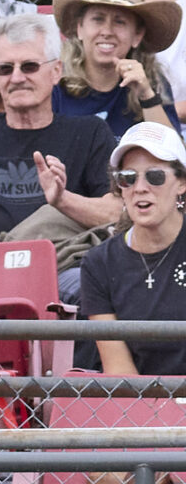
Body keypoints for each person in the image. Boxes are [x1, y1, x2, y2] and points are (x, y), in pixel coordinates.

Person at [0, 12, 121, 293]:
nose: (16, 78)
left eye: (29, 66)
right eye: (4, 69)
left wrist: (63, 200)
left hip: (60, 270)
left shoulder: (89, 133)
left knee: (88, 288)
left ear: (56, 71)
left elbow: (118, 212)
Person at [77, 122, 186, 379]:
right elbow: (120, 372)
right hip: (139, 408)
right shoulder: (97, 264)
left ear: (181, 183)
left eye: (155, 176)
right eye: (127, 178)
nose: (140, 188)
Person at [50, 0, 180, 134]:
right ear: (80, 28)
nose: (107, 31)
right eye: (98, 19)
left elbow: (172, 154)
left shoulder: (152, 81)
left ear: (137, 35)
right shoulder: (55, 82)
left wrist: (146, 94)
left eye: (119, 22)